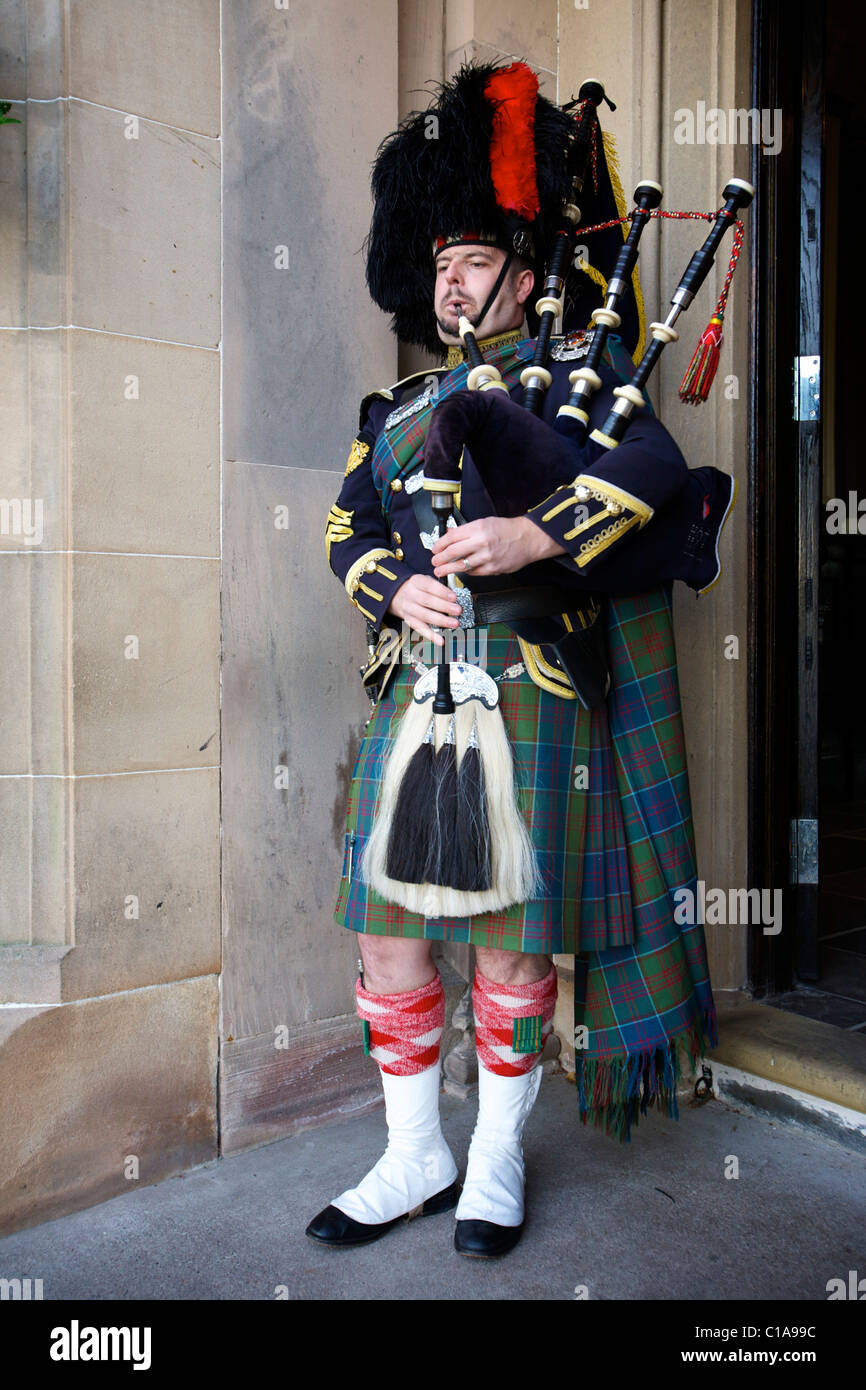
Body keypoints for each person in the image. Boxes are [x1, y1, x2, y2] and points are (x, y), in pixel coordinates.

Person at [307, 61, 722, 1259]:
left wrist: (538, 529)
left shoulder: (578, 379)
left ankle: (492, 1158)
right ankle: (411, 1150)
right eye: (438, 263)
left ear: (524, 277)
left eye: (475, 260)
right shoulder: (387, 410)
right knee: (387, 933)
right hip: (411, 692)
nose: (450, 279)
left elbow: (651, 476)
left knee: (505, 935)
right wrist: (398, 581)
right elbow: (348, 529)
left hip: (529, 687)